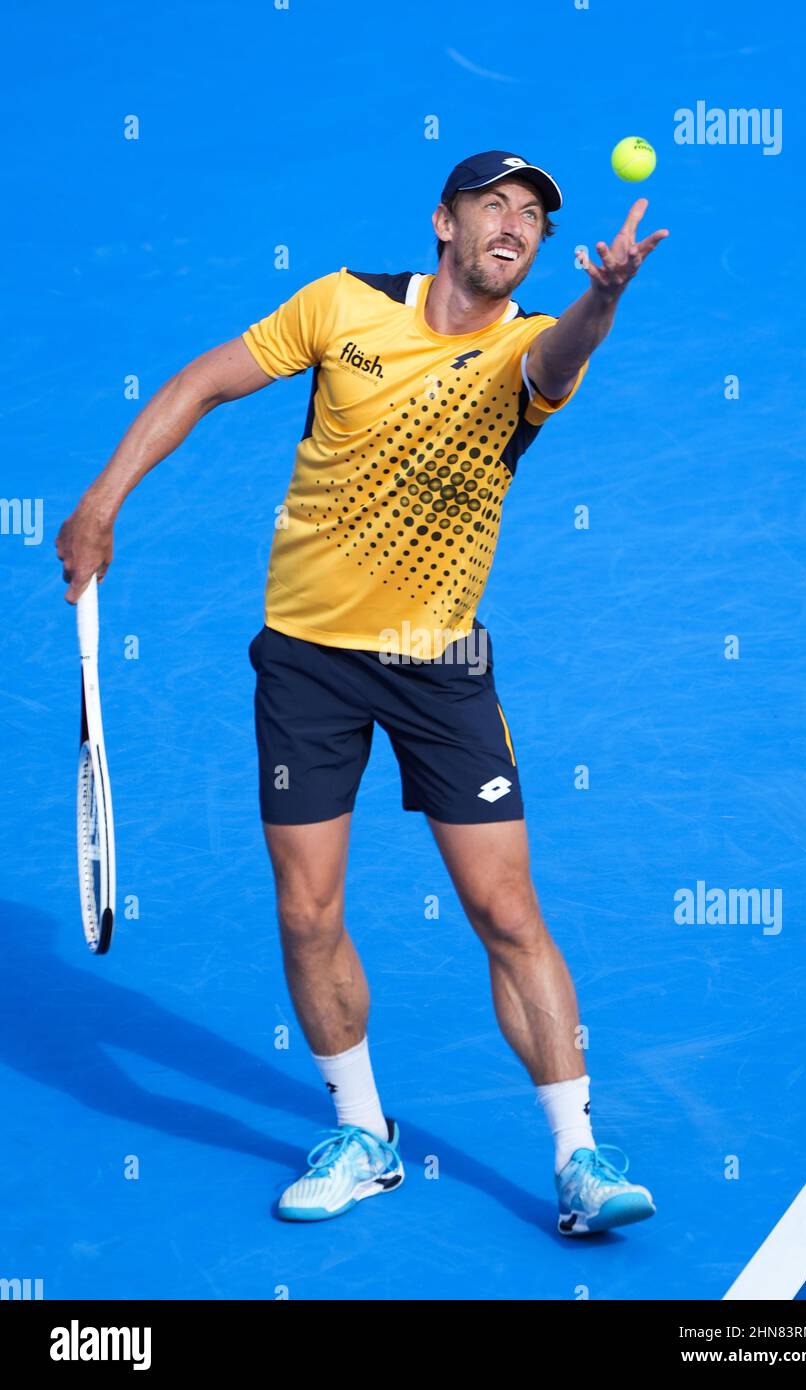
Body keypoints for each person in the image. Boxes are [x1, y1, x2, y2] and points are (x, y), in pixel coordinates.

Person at [56, 150, 668, 1237]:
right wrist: (103, 501)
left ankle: (577, 1154)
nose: (513, 226)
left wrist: (601, 296)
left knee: (502, 908)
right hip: (307, 660)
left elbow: (565, 350)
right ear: (444, 221)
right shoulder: (339, 305)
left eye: (531, 214)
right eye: (494, 204)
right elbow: (203, 379)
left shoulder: (525, 349)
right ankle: (360, 1132)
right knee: (306, 908)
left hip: (438, 664)